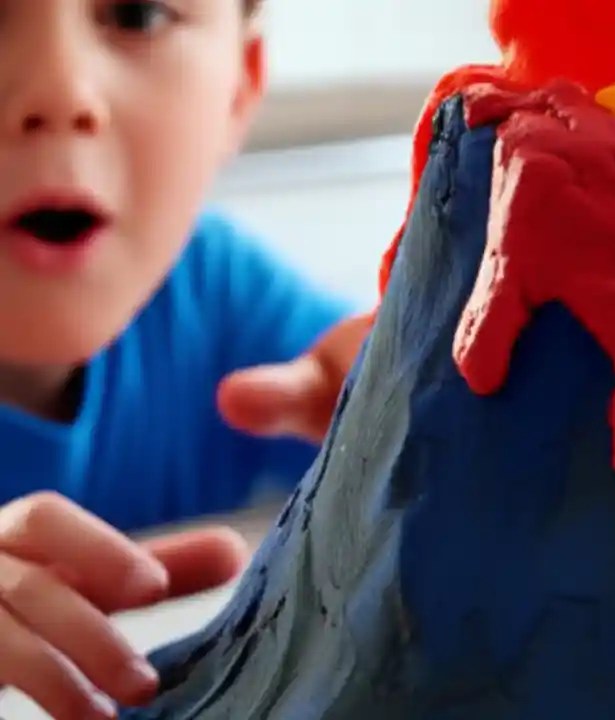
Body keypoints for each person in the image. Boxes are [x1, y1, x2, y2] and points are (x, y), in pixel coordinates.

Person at [0, 1, 369, 717]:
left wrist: (435, 408)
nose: (60, 93)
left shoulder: (217, 294)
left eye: (137, 14)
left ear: (239, 87)